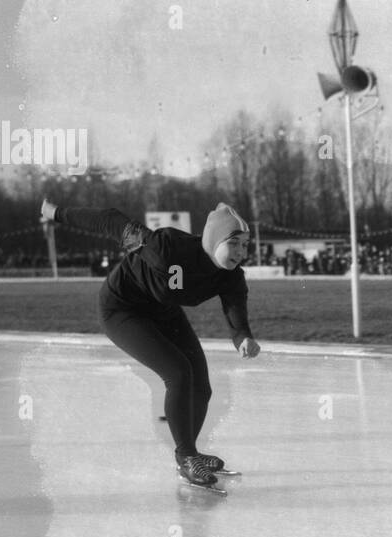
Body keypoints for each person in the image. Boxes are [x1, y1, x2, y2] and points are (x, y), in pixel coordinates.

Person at [39, 198, 261, 488]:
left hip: (164, 312)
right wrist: (57, 213)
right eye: (235, 243)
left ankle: (188, 454)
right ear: (214, 239)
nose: (241, 253)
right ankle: (187, 458)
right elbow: (111, 220)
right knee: (179, 373)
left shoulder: (231, 276)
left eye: (245, 245)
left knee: (201, 387)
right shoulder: (165, 246)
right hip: (122, 309)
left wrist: (242, 336)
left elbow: (235, 307)